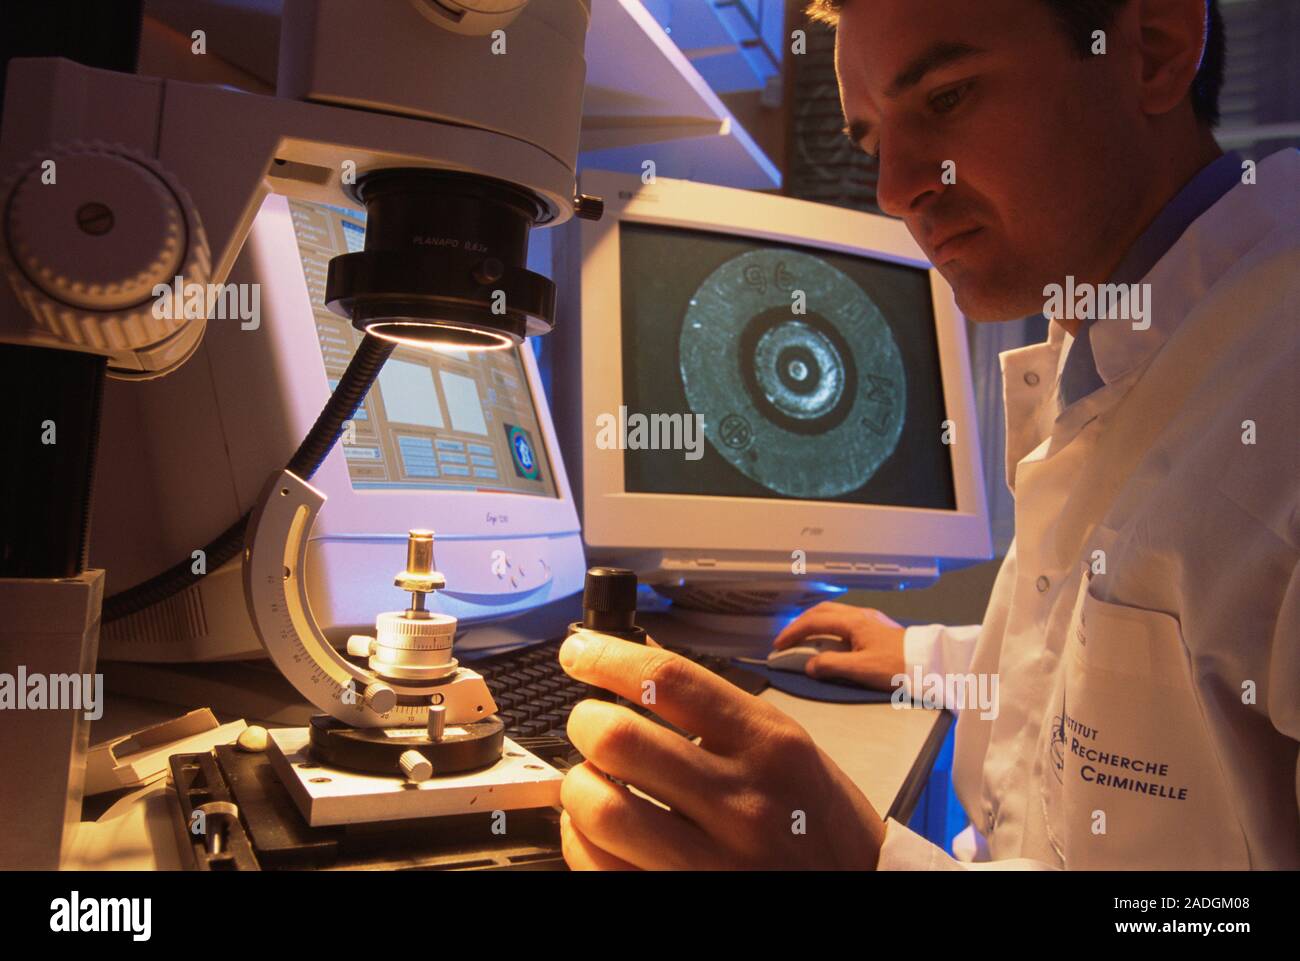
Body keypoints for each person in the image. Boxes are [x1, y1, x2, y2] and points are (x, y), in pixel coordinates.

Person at [556, 0, 1299, 869]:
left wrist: (862, 862)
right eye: (872, 140)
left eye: (945, 98)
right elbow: (1135, 657)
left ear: (1155, 47)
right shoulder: (1106, 342)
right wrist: (926, 651)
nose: (893, 187)